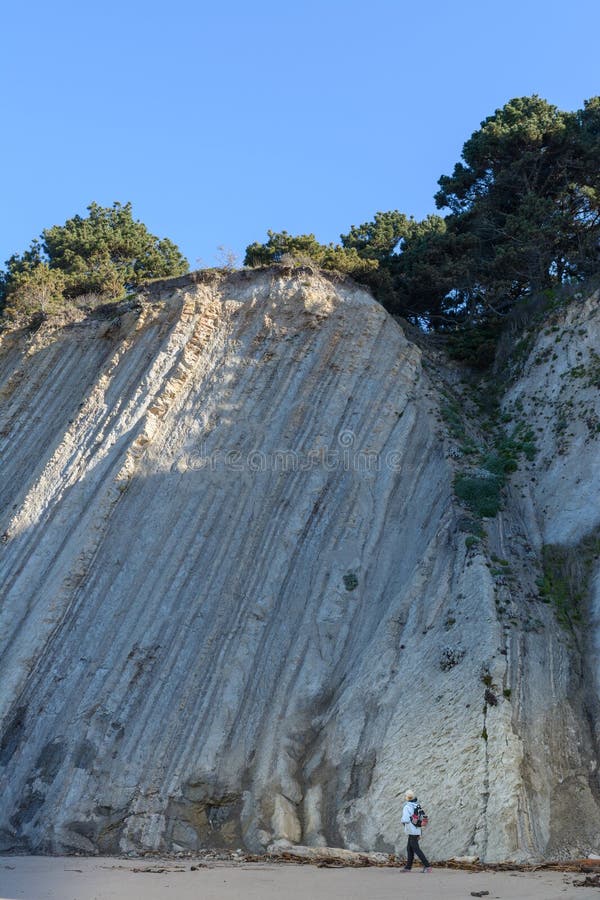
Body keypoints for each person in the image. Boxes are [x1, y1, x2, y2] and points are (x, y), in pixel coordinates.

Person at [399, 789, 432, 873]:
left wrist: (403, 822)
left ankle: (427, 866)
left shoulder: (407, 807)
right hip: (417, 829)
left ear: (407, 798)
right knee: (409, 848)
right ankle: (408, 867)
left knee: (416, 849)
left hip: (411, 830)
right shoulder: (417, 806)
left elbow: (405, 819)